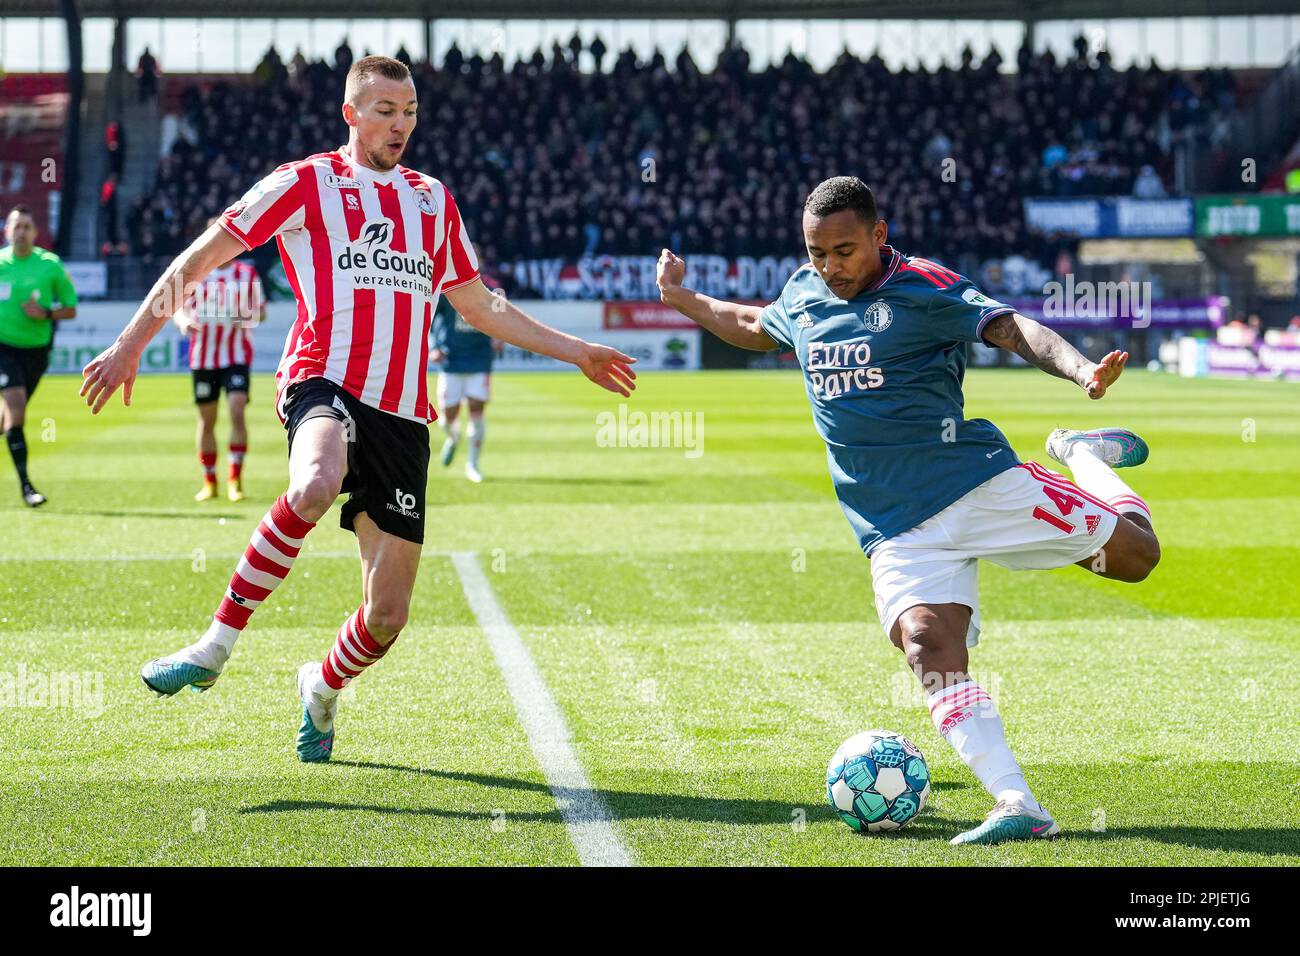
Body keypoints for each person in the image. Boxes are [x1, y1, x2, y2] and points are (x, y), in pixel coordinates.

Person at [80, 55, 636, 762]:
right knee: (312, 483)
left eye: (408, 112)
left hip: (403, 414)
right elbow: (198, 259)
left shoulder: (432, 199)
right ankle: (214, 646)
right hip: (324, 381)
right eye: (384, 110)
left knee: (386, 617)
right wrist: (131, 343)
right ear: (351, 113)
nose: (399, 124)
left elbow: (478, 304)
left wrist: (576, 351)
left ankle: (320, 686)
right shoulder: (305, 183)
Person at [656, 176, 1160, 845]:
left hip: (973, 484)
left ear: (878, 235)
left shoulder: (925, 286)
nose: (831, 267)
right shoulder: (804, 295)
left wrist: (1080, 371)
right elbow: (752, 325)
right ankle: (1018, 802)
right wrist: (681, 298)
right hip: (890, 523)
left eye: (844, 250)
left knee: (1136, 558)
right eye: (817, 253)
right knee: (927, 644)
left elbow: (1014, 330)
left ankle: (1082, 453)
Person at [173, 217, 264, 502]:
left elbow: (261, 312)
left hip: (236, 355)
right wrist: (184, 323)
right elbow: (178, 309)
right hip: (203, 358)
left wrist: (244, 317)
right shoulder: (197, 274)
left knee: (237, 410)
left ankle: (235, 481)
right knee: (207, 419)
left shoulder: (246, 275)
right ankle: (209, 482)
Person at [0, 205, 78, 506]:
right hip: (3, 348)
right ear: (7, 230)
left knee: (8, 421)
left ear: (35, 232)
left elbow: (70, 309)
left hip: (36, 352)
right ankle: (27, 488)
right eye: (16, 226)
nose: (20, 232)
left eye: (26, 227)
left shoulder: (50, 265)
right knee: (17, 409)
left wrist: (45, 312)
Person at [431, 248, 501, 483]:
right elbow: (430, 317)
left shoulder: (493, 288)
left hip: (479, 359)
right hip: (451, 360)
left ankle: (473, 464)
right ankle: (452, 438)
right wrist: (433, 347)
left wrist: (500, 338)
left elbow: (504, 317)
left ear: (480, 261)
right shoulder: (446, 286)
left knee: (476, 412)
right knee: (447, 417)